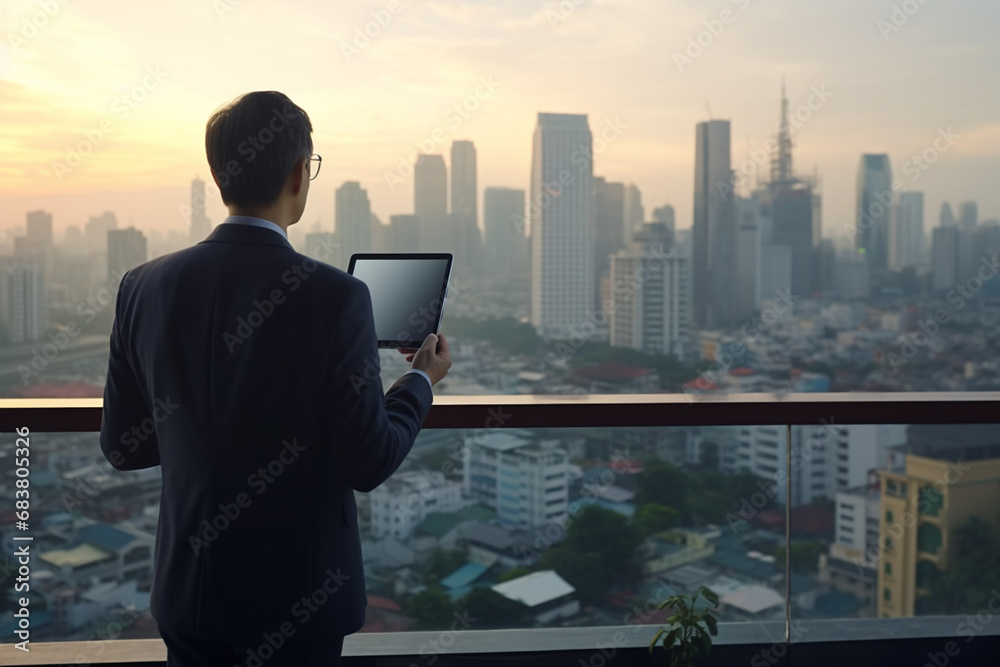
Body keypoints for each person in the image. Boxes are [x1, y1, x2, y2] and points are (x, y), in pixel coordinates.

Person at [99, 90, 451, 666]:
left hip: (191, 595)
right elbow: (368, 460)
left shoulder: (142, 285)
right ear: (297, 173)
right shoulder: (336, 298)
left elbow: (122, 445)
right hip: (299, 605)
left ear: (218, 175)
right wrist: (420, 382)